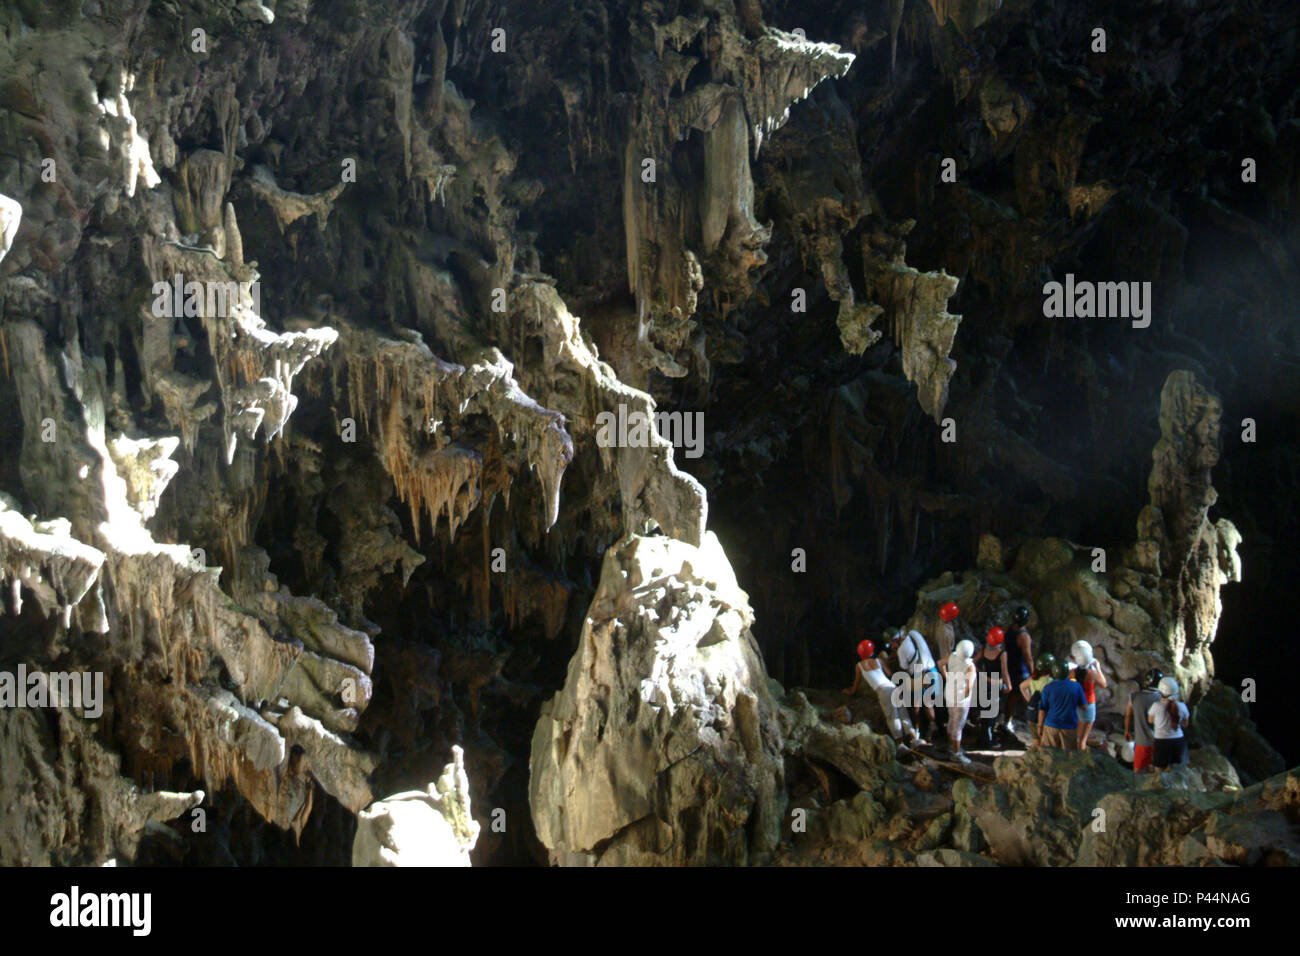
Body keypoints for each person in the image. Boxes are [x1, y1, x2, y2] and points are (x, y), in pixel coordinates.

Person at [843, 639, 923, 749]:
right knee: (903, 713)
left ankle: (900, 745)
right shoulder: (879, 660)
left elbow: (856, 684)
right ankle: (914, 739)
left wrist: (849, 691)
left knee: (892, 717)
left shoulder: (859, 666)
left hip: (882, 691)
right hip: (892, 687)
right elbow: (889, 673)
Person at [889, 628, 941, 742]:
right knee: (928, 703)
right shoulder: (914, 633)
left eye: (891, 643)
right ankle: (933, 726)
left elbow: (904, 669)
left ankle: (916, 731)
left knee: (915, 705)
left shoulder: (901, 651)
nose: (891, 646)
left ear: (895, 640)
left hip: (919, 674)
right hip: (933, 670)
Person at [973, 627, 1012, 748]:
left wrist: (980, 672)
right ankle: (987, 741)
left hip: (984, 682)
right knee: (991, 714)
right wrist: (1009, 686)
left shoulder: (984, 649)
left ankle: (981, 738)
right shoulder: (1002, 653)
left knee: (984, 711)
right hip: (996, 683)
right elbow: (1004, 672)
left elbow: (973, 661)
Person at [939, 639, 977, 764]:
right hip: (960, 700)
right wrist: (966, 695)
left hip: (949, 694)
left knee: (951, 720)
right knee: (958, 727)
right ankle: (956, 753)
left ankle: (951, 746)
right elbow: (969, 686)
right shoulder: (970, 666)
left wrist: (947, 676)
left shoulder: (952, 656)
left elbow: (940, 663)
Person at [1036, 659, 1087, 751]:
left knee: (1049, 754)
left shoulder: (1048, 687)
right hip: (1069, 727)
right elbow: (1084, 706)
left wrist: (1040, 726)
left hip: (1051, 725)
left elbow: (1042, 710)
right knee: (1068, 757)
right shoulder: (1076, 686)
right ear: (1067, 671)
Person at [1069, 640, 1109, 750]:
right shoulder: (1092, 674)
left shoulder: (1071, 672)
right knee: (1082, 740)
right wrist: (1098, 667)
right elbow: (1104, 684)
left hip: (1074, 704)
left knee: (1073, 737)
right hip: (1088, 705)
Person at [1125, 668, 1164, 774]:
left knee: (1138, 771)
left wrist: (1127, 731)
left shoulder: (1134, 697)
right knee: (1158, 773)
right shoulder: (1162, 699)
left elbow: (1128, 715)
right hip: (1159, 741)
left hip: (1142, 742)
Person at [1148, 676, 1190, 770]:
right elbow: (1185, 724)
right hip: (1178, 740)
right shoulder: (1182, 706)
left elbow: (1150, 720)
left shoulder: (1156, 706)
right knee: (1176, 771)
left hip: (1161, 741)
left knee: (1159, 772)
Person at [1003, 606, 1034, 732]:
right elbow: (1028, 657)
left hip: (1009, 667)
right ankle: (1036, 726)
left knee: (1012, 697)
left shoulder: (1010, 629)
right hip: (1020, 671)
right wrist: (1033, 672)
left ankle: (1007, 722)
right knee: (1029, 699)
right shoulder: (1023, 636)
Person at [1019, 652, 1056, 748]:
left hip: (1031, 711)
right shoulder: (1050, 681)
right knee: (1044, 741)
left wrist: (1029, 700)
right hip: (1043, 714)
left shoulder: (1033, 678)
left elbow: (1022, 686)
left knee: (1035, 740)